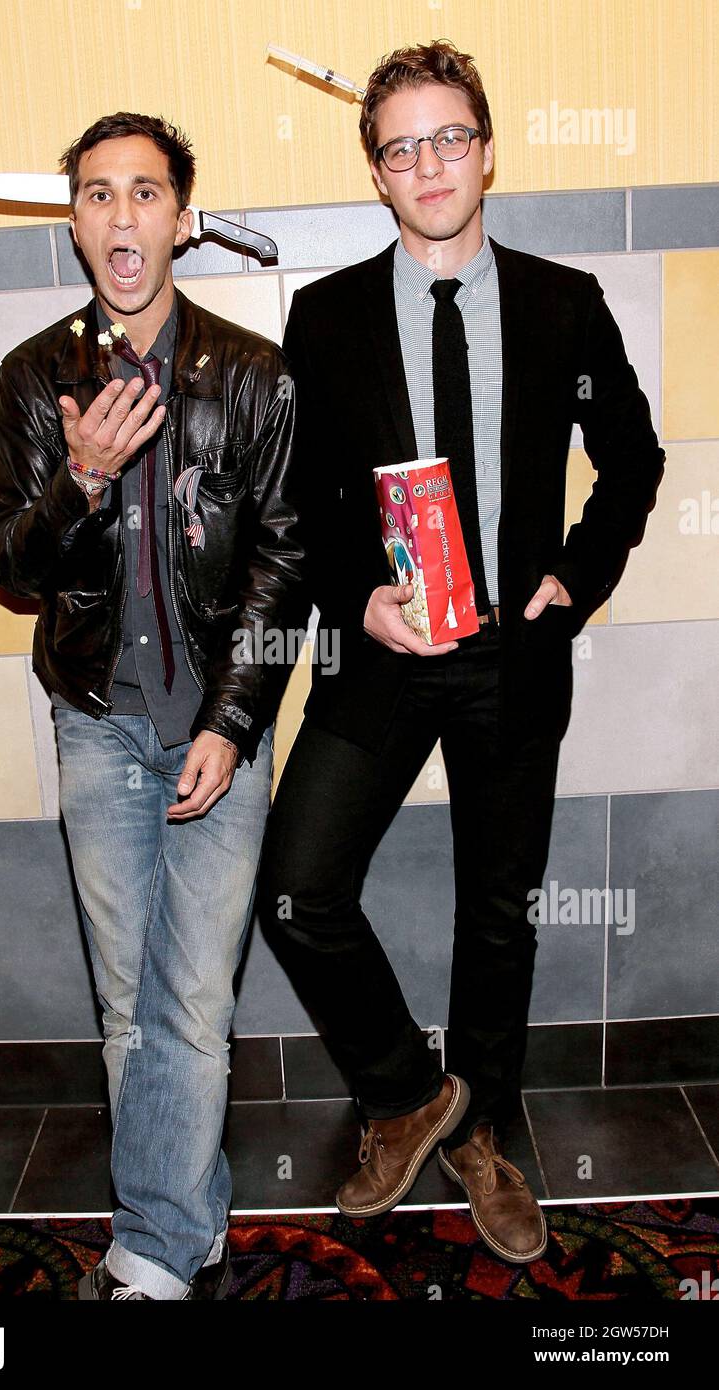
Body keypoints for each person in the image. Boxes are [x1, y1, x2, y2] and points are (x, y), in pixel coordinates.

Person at [258, 41, 664, 1264]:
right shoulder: (322, 319)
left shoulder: (561, 302)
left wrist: (572, 580)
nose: (426, 164)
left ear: (485, 149)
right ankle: (405, 1093)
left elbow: (634, 464)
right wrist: (354, 597)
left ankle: (482, 1128)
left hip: (511, 654)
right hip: (382, 652)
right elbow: (304, 501)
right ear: (375, 175)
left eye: (447, 138)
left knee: (499, 918)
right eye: (399, 147)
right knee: (295, 886)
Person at [0, 112, 305, 1299]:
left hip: (220, 730)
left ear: (181, 216)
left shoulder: (254, 374)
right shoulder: (34, 378)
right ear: (75, 221)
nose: (122, 215)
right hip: (95, 726)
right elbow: (11, 564)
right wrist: (83, 478)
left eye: (144, 192)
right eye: (98, 195)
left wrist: (229, 724)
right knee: (132, 1000)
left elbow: (282, 564)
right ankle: (188, 1231)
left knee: (189, 997)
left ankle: (152, 1252)